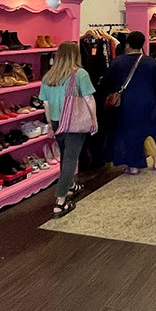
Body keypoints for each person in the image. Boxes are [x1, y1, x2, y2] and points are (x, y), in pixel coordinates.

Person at [40, 41, 97, 217]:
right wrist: (94, 120)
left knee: (65, 155)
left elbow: (45, 103)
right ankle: (60, 201)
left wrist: (50, 124)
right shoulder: (80, 74)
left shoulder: (49, 76)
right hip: (73, 122)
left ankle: (70, 185)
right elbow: (88, 99)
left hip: (57, 121)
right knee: (71, 159)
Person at [103, 30, 156, 175]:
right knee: (148, 131)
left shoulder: (118, 62)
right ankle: (155, 160)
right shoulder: (151, 62)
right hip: (148, 102)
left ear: (127, 44)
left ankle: (133, 165)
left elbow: (106, 80)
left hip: (126, 103)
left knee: (128, 133)